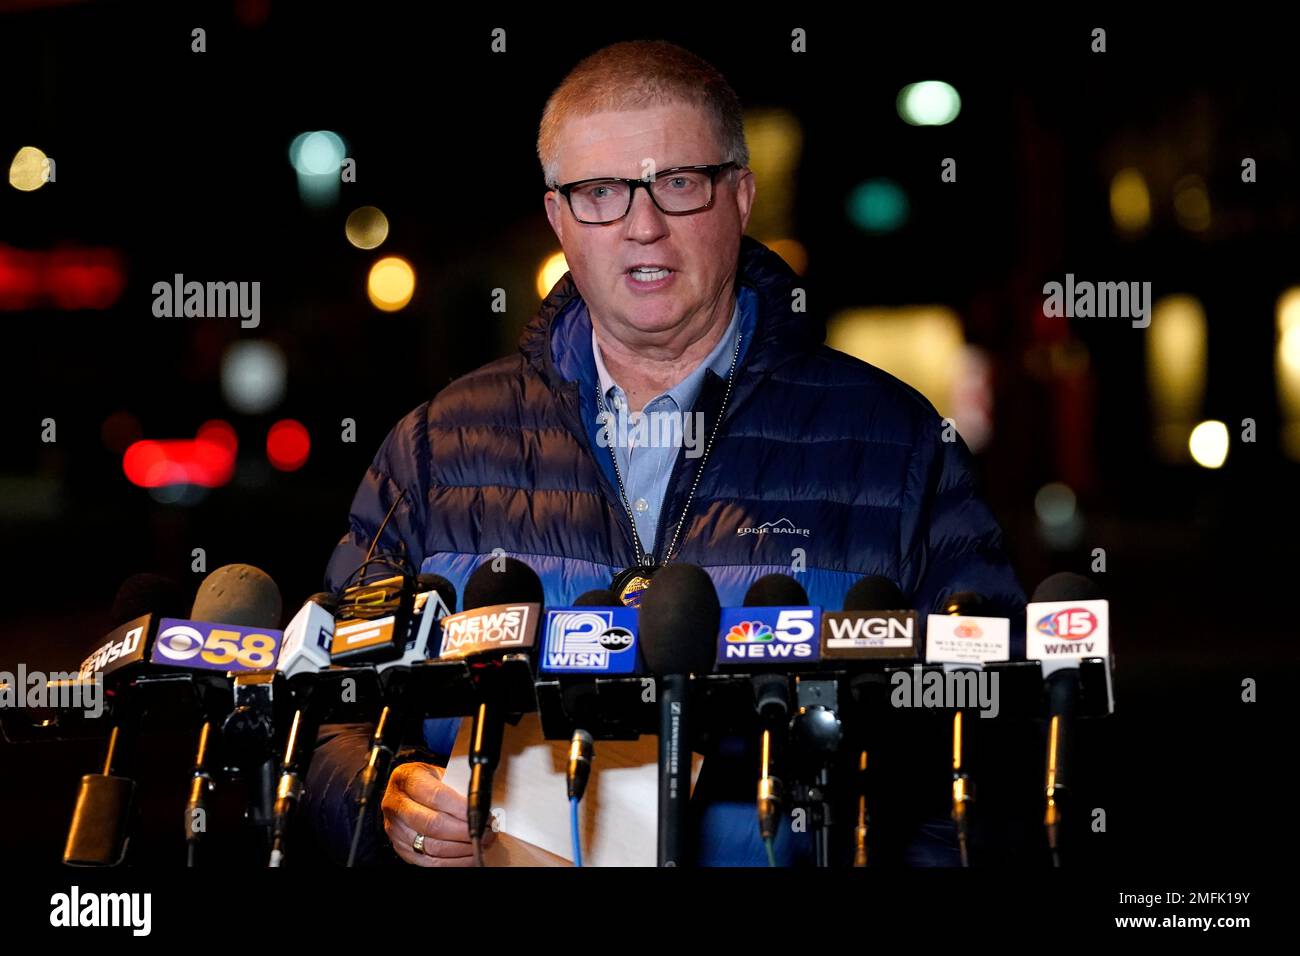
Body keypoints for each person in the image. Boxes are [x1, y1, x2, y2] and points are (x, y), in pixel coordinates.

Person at [305, 39, 1025, 867]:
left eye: (679, 184)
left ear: (741, 196)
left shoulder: (896, 444)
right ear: (559, 217)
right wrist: (383, 793)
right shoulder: (436, 447)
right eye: (601, 192)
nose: (643, 226)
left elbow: (996, 733)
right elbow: (326, 710)